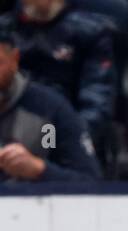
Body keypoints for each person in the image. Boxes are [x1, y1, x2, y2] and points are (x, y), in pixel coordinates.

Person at [0, 0, 116, 149]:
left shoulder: (90, 31)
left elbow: (96, 100)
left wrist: (71, 141)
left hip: (63, 130)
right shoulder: (5, 30)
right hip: (10, 128)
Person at [0, 22, 100, 182]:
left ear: (15, 59)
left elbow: (89, 182)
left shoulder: (48, 113)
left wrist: (39, 169)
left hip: (33, 203)